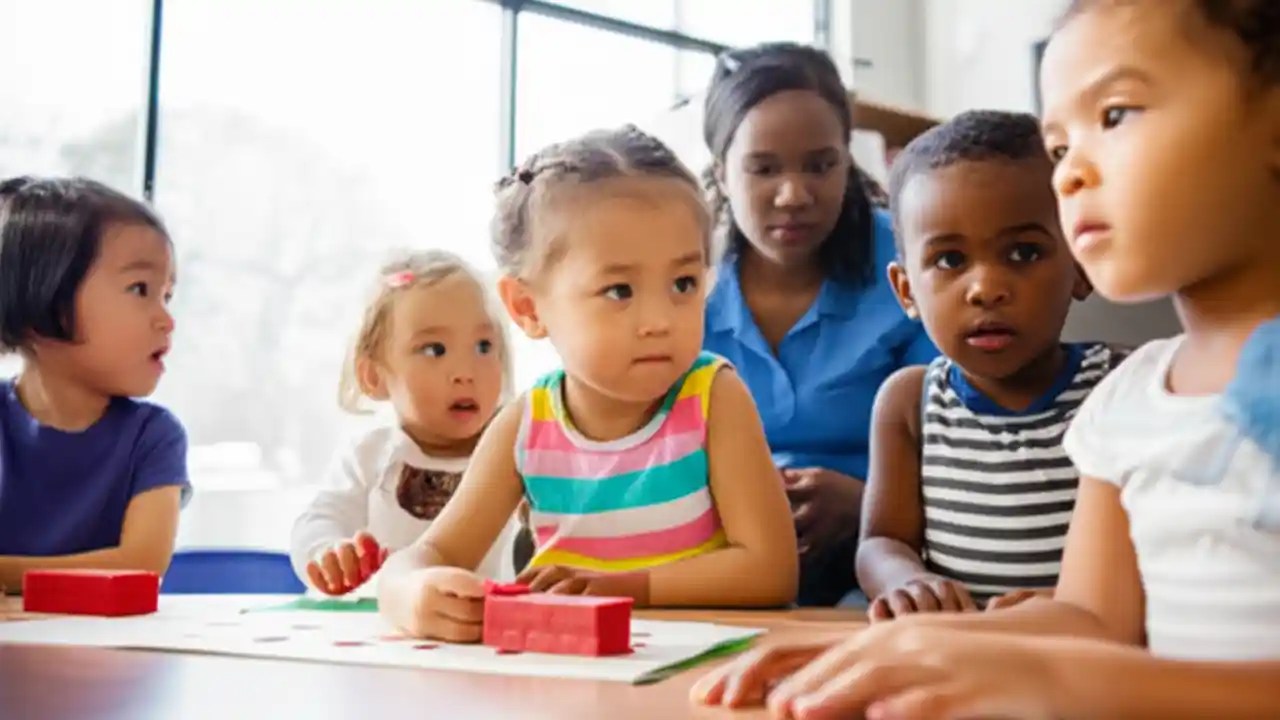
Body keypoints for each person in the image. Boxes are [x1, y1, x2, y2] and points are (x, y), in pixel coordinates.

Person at [693, 1, 1280, 717]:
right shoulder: (1128, 402)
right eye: (1060, 146)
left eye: (1117, 113)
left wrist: (1061, 679)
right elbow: (1092, 620)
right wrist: (893, 649)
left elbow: (1092, 661)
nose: (1069, 175)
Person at [378, 126, 797, 641]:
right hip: (571, 675)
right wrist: (407, 593)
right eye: (620, 290)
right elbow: (429, 554)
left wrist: (622, 588)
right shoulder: (524, 426)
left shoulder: (713, 397)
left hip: (703, 670)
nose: (659, 319)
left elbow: (770, 570)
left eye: (683, 284)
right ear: (528, 308)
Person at [858, 110, 1124, 621]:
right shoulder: (910, 403)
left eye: (1023, 252)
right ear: (906, 290)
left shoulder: (1119, 387)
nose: (985, 288)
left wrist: (1068, 605)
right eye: (950, 261)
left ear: (1080, 268)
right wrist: (906, 580)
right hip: (964, 652)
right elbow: (882, 541)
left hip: (1086, 651)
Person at [701, 43, 937, 606]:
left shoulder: (913, 261)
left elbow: (968, 431)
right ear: (723, 174)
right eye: (763, 169)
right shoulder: (685, 284)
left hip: (892, 560)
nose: (794, 194)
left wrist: (867, 504)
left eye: (820, 164)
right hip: (724, 561)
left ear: (846, 159)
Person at [290, 250, 518, 595]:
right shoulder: (369, 455)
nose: (465, 372)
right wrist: (328, 553)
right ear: (373, 376)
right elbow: (319, 519)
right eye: (434, 350)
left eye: (484, 346)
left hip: (487, 638)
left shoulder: (519, 454)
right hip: (384, 635)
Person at [0, 176, 189, 593]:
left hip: (107, 654)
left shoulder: (153, 435)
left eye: (168, 295)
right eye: (140, 289)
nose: (167, 319)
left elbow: (140, 565)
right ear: (46, 301)